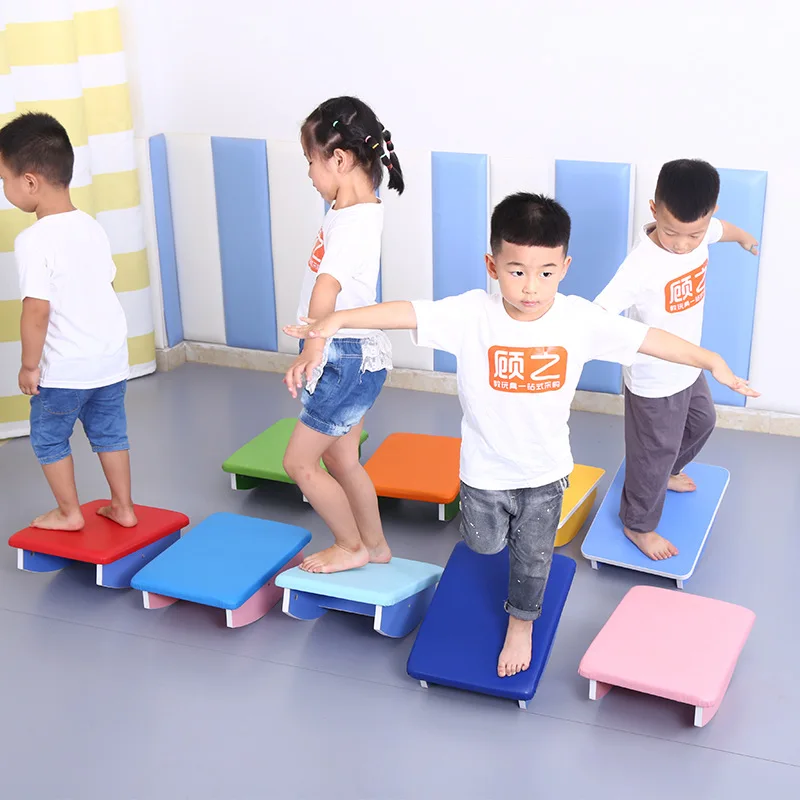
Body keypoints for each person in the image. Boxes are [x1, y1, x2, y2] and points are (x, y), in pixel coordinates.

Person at [283, 192, 758, 678]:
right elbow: (406, 313)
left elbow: (650, 340)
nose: (531, 287)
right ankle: (504, 546)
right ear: (492, 265)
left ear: (565, 267)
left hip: (544, 474)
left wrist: (712, 360)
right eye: (516, 271)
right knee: (482, 545)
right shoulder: (471, 314)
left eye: (546, 273)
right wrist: (337, 319)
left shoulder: (578, 320)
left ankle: (521, 623)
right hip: (483, 474)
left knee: (533, 560)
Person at [594, 159, 759, 561]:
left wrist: (744, 238)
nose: (683, 244)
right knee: (655, 451)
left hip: (688, 365)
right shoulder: (641, 265)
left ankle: (662, 474)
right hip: (653, 379)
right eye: (671, 232)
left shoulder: (704, 231)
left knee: (702, 422)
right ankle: (637, 524)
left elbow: (722, 230)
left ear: (709, 215)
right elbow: (599, 313)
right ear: (654, 210)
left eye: (693, 234)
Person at [282, 96, 404, 574]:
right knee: (342, 460)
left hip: (341, 358)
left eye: (310, 161)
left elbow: (326, 287)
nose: (309, 173)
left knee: (299, 464)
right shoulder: (353, 209)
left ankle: (350, 545)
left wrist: (311, 349)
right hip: (352, 355)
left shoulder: (353, 221)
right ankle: (375, 545)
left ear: (340, 159)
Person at [0, 112, 134, 531]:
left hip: (64, 371)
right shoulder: (92, 228)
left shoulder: (33, 240)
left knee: (48, 436)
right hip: (110, 361)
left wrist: (29, 366)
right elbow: (103, 287)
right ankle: (124, 507)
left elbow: (36, 310)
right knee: (110, 434)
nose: (4, 189)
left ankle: (69, 513)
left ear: (30, 182)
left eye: (3, 179)